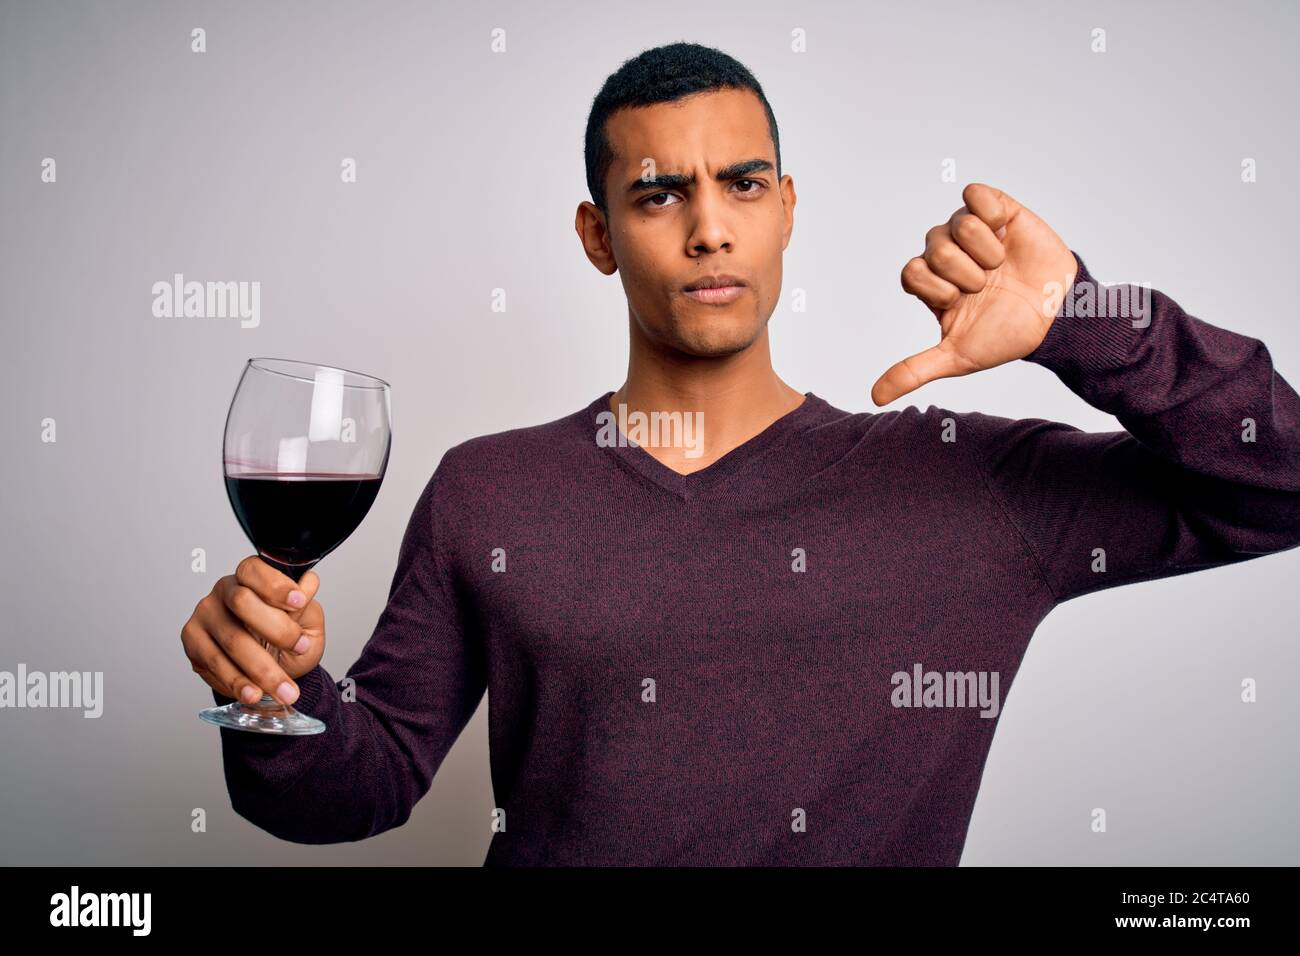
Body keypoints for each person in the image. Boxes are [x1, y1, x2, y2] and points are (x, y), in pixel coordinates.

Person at [180, 42, 1300, 865]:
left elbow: (1279, 482)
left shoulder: (973, 486)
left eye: (743, 184)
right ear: (597, 235)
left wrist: (1086, 319)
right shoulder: (490, 490)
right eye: (658, 193)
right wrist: (271, 691)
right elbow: (357, 788)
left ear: (787, 211)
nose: (708, 227)